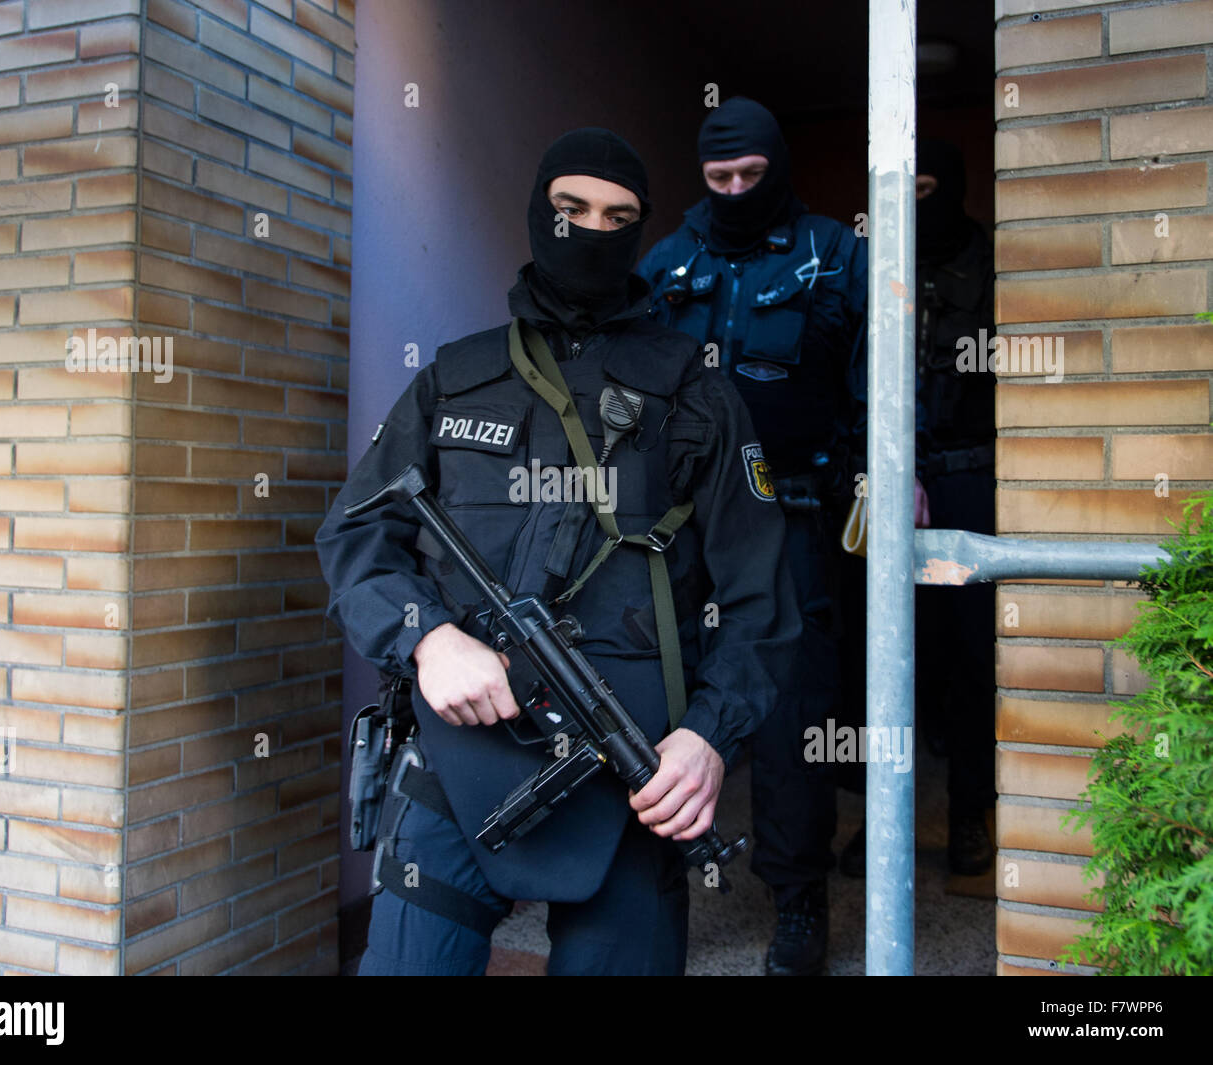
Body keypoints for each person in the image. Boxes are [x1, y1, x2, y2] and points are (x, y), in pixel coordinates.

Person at [316, 127, 800, 976]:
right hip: (462, 749)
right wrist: (427, 636)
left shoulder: (694, 391)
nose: (591, 230)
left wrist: (708, 739)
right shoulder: (454, 377)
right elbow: (357, 530)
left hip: (633, 766)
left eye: (618, 216)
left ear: (643, 230)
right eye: (570, 209)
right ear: (539, 214)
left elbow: (762, 599)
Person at [637, 97, 869, 977]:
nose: (734, 190)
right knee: (662, 689)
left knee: (790, 711)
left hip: (795, 515)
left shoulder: (834, 255)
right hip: (684, 519)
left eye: (751, 176)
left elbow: (875, 381)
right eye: (718, 178)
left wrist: (893, 472)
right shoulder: (667, 262)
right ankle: (648, 878)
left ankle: (798, 896)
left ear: (778, 168)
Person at [911, 136, 997, 875]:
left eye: (928, 186)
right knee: (890, 654)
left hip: (971, 482)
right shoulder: (882, 270)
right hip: (894, 485)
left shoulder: (995, 268)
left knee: (974, 657)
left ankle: (970, 811)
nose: (916, 203)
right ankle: (886, 817)